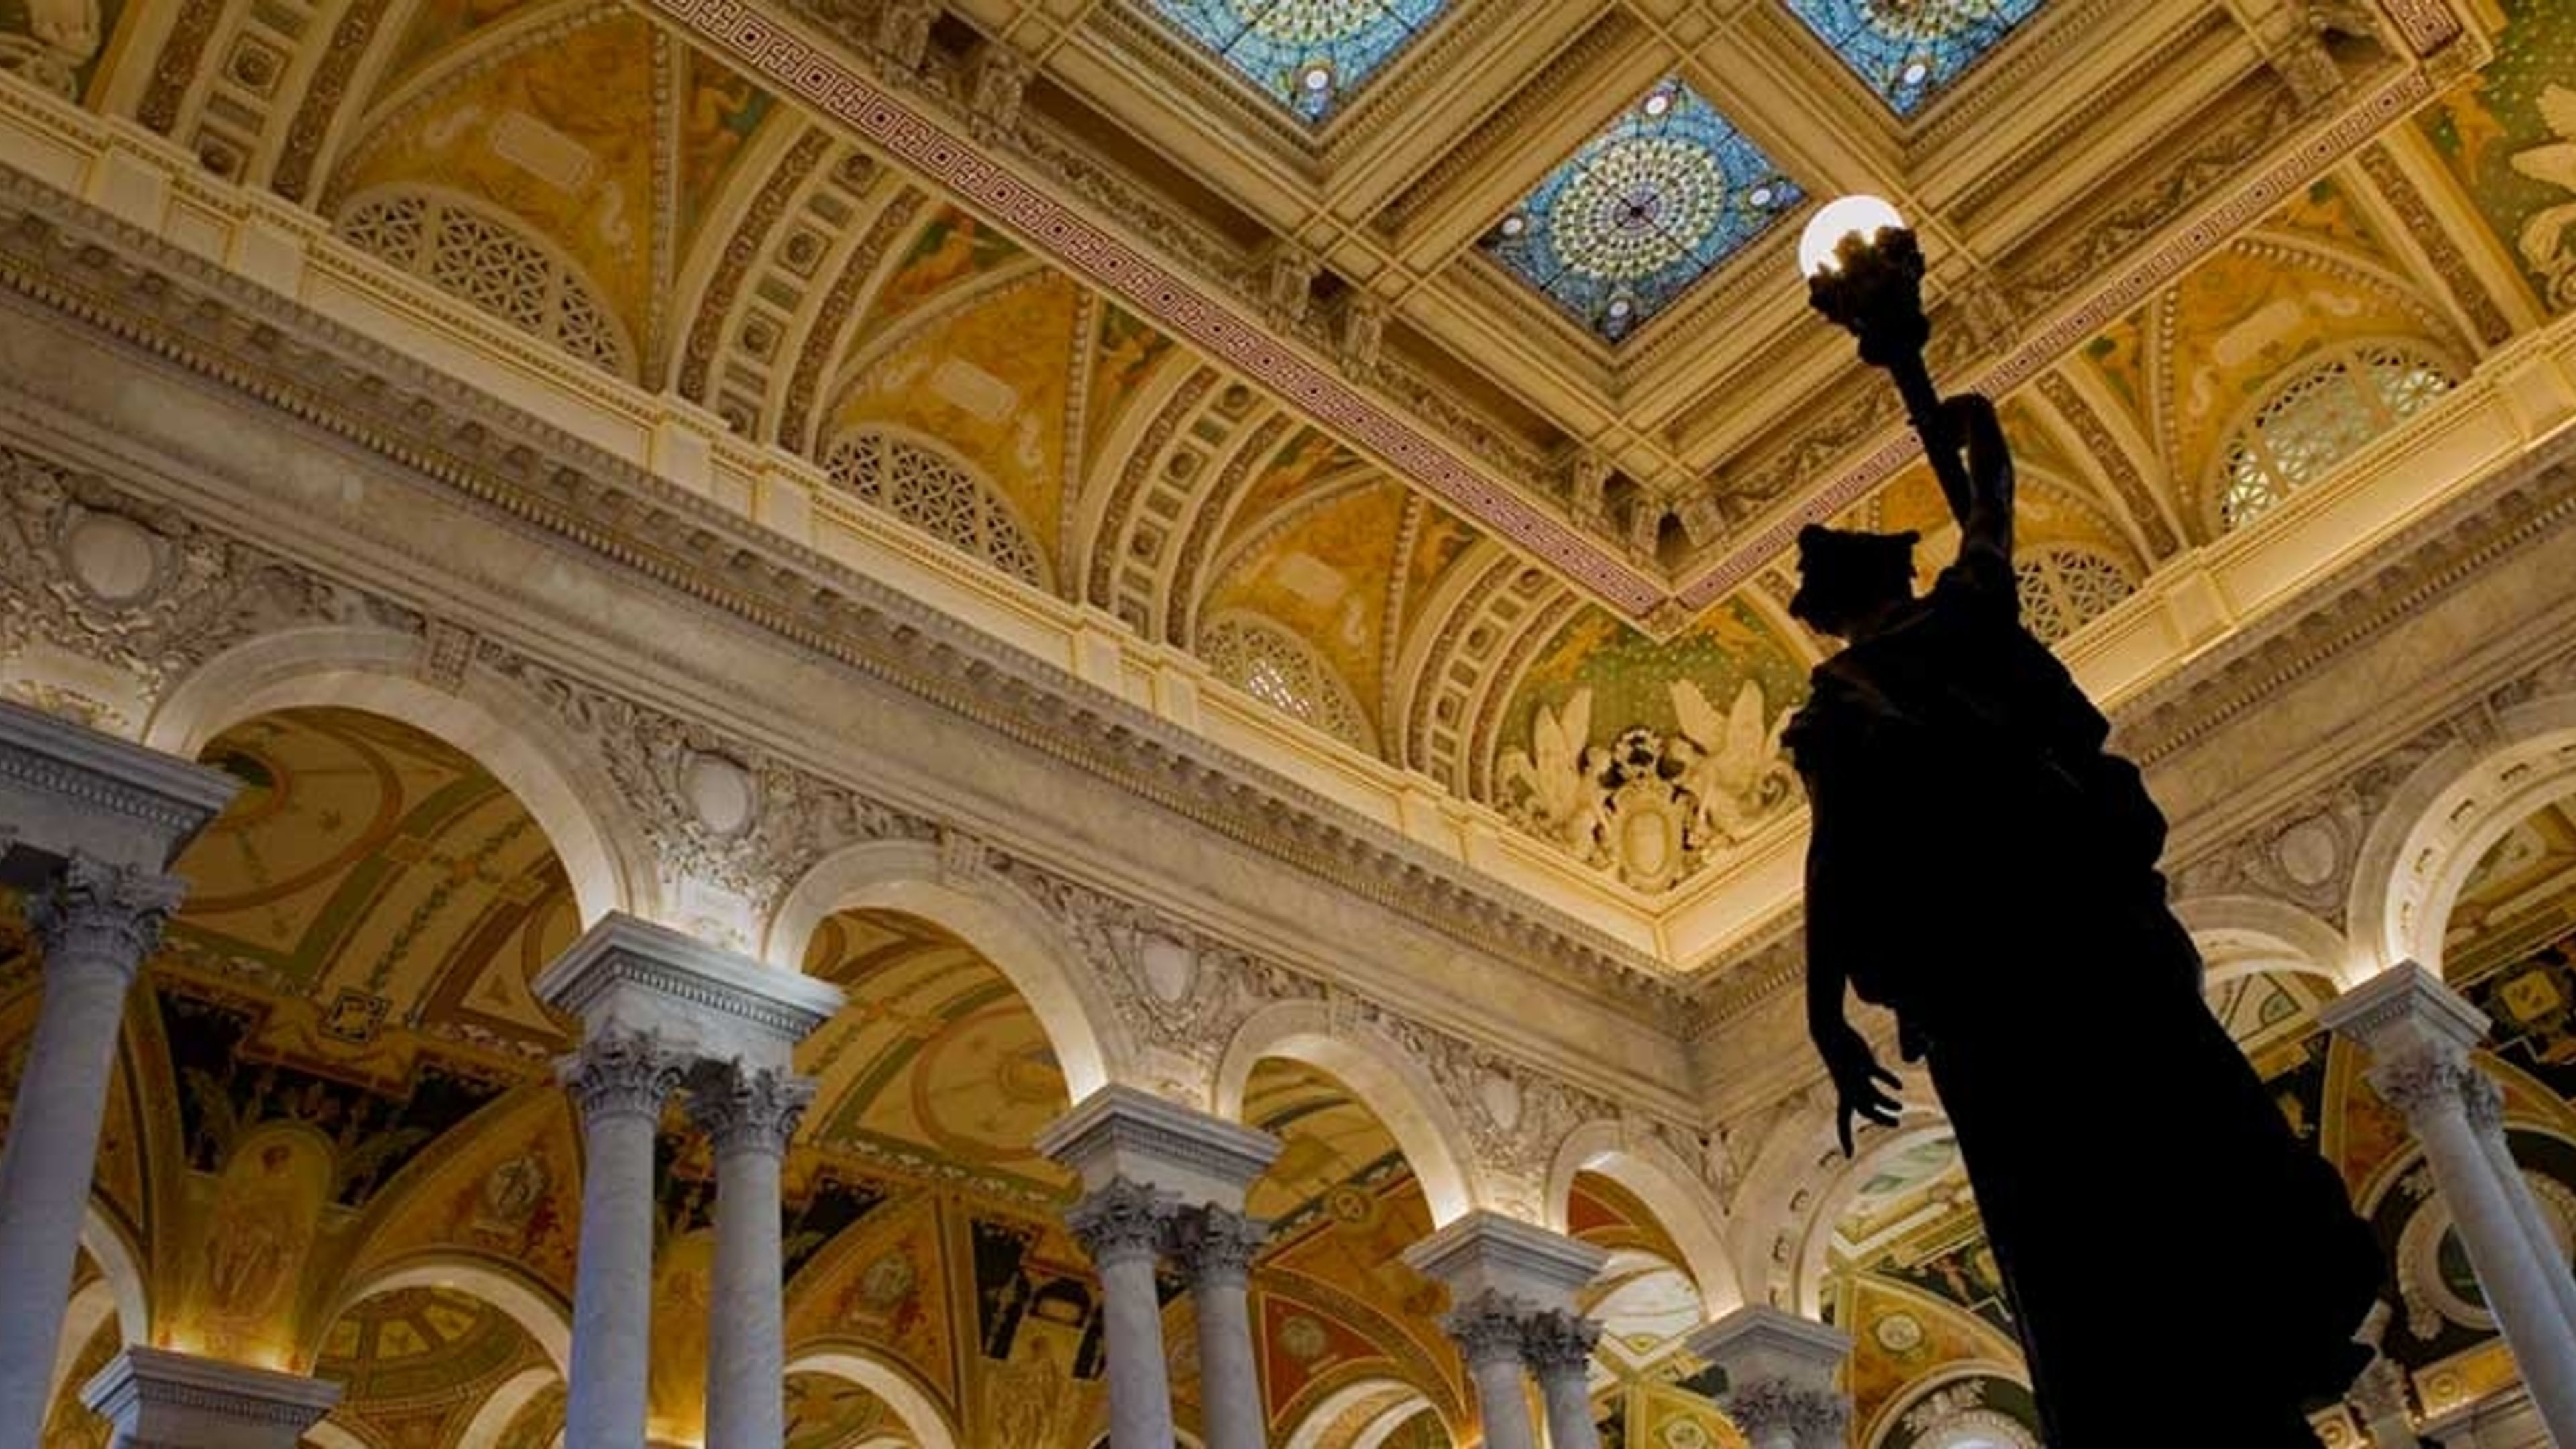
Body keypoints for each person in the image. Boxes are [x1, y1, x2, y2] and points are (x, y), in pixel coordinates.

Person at [1786, 394, 2382, 1447]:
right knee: (2186, 1134)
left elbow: (1835, 867)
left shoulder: (1846, 695)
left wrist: (1827, 1017)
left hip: (1995, 991)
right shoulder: (1966, 612)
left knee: (2067, 1215)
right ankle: (2253, 1324)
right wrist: (1979, 433)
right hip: (2091, 943)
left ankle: (2145, 1382)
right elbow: (1991, 518)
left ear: (1840, 607)